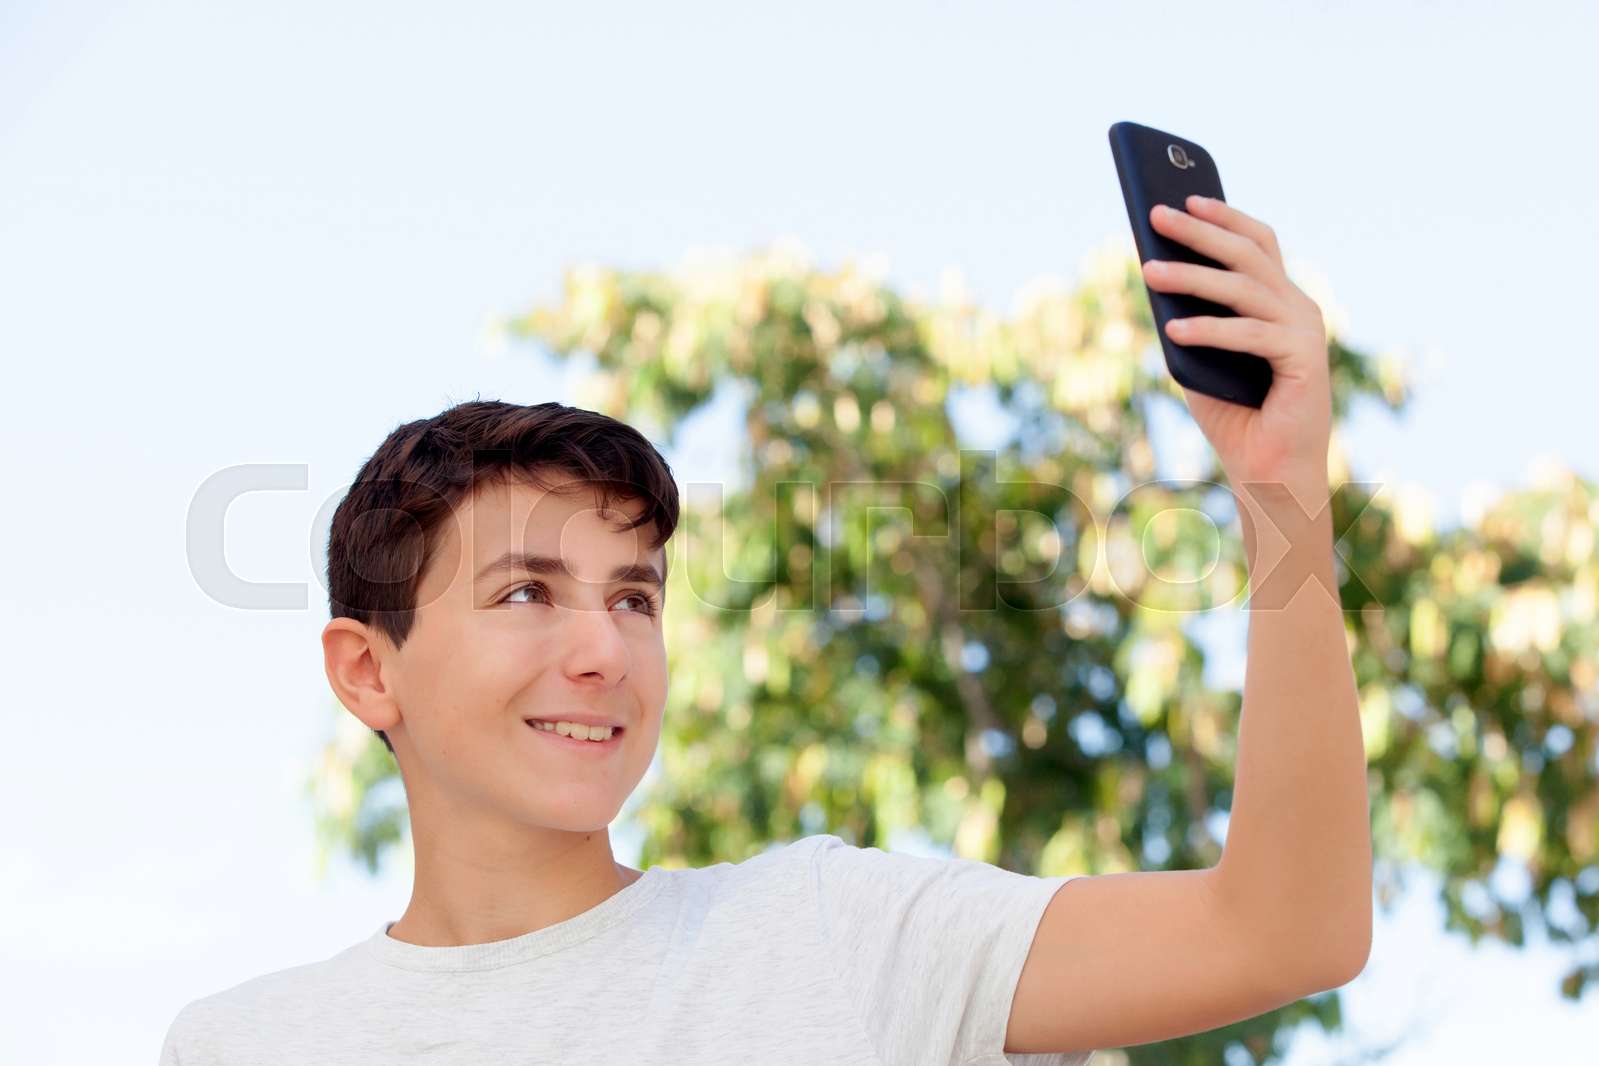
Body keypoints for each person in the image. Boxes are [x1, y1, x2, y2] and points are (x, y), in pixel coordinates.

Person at [159, 194, 1372, 1066]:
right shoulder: (242, 1044)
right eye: (527, 592)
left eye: (634, 596)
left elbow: (1282, 930)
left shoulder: (838, 938)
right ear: (368, 671)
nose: (604, 649)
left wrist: (1283, 493)